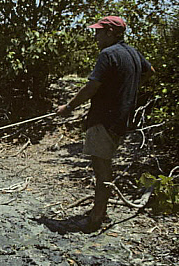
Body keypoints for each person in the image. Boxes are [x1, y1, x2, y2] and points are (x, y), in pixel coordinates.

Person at [56, 16, 154, 232]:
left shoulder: (108, 54)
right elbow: (150, 72)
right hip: (121, 120)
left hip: (104, 120)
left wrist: (68, 108)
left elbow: (91, 87)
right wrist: (124, 90)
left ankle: (96, 219)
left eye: (99, 32)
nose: (95, 36)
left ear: (111, 32)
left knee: (101, 170)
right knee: (104, 167)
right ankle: (100, 212)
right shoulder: (133, 52)